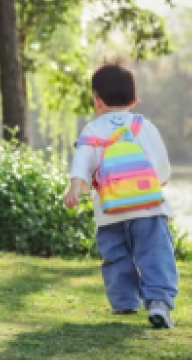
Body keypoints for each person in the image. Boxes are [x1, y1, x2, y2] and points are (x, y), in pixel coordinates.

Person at [65, 61, 179, 329]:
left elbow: (83, 161)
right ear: (134, 99)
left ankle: (125, 303)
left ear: (97, 99)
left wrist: (76, 186)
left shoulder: (93, 130)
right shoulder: (143, 126)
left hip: (110, 210)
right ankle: (159, 303)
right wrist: (158, 183)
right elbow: (161, 166)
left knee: (116, 255)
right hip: (148, 207)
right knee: (155, 253)